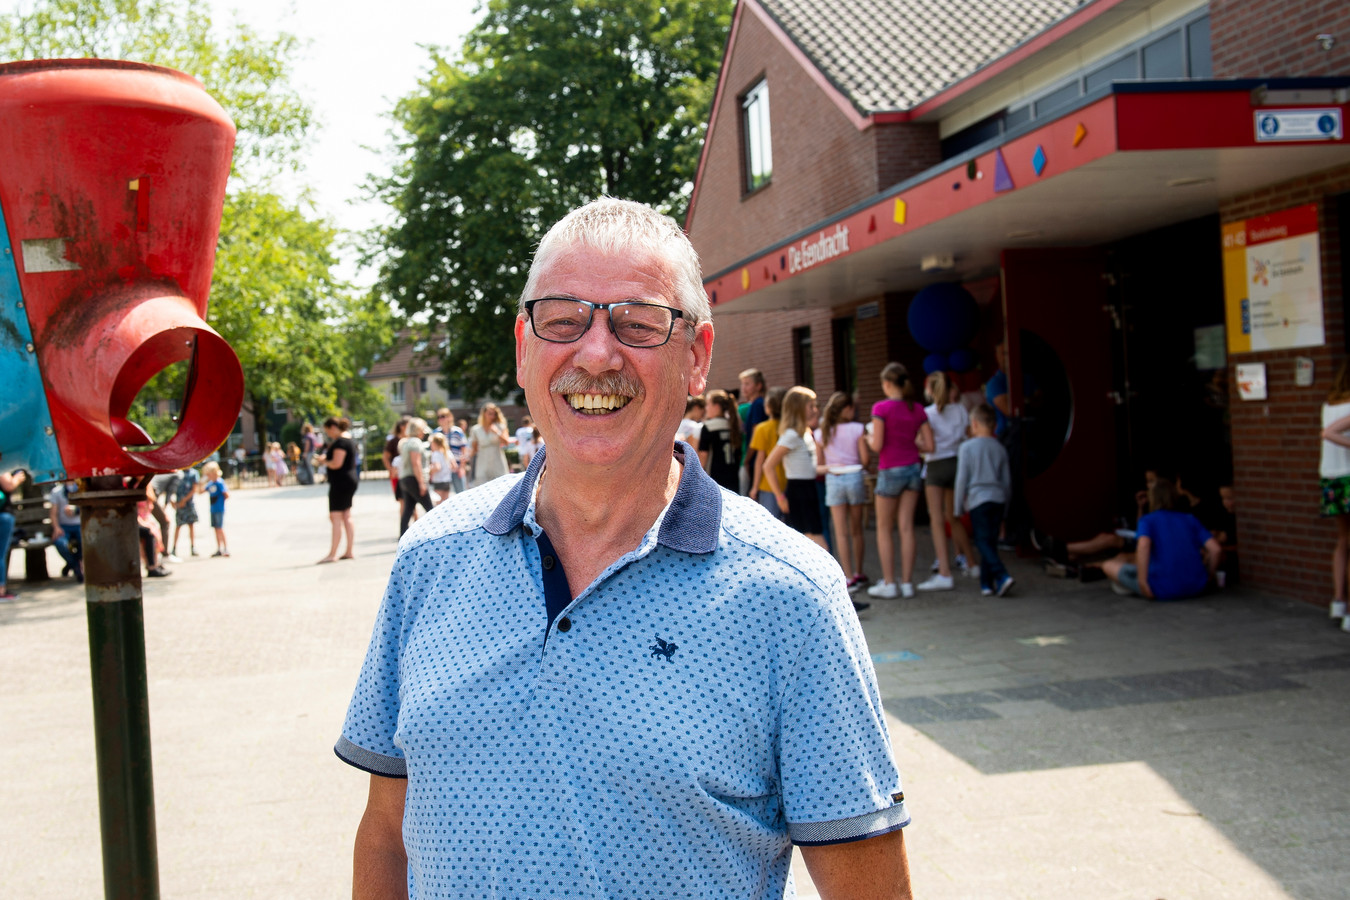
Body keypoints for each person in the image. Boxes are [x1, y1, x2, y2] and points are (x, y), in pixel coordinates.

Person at [337, 198, 911, 899]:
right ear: (523, 348)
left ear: (697, 357)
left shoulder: (791, 597)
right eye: (562, 320)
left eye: (638, 323)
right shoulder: (430, 560)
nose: (597, 353)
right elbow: (386, 834)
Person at [867, 363, 934, 600]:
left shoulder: (881, 408)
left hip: (890, 470)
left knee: (884, 528)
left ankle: (889, 583)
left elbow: (877, 445)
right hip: (913, 468)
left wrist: (868, 438)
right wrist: (912, 443)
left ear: (886, 384)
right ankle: (907, 583)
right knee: (907, 527)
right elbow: (930, 445)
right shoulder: (917, 408)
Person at [1099, 478, 1221, 600]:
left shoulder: (1147, 520)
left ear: (1152, 498)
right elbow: (1216, 549)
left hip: (1162, 588)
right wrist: (1209, 575)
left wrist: (1142, 581)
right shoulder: (1190, 519)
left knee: (1108, 565)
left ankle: (1131, 585)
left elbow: (1143, 546)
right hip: (1197, 586)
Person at [918, 371, 976, 591]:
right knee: (954, 516)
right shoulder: (960, 409)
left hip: (935, 466)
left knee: (936, 520)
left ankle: (944, 572)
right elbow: (968, 434)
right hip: (956, 463)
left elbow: (925, 443)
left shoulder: (927, 413)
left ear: (930, 390)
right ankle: (972, 563)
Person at [954, 404, 1014, 597]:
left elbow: (962, 479)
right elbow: (1007, 482)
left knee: (981, 541)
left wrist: (957, 506)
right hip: (998, 499)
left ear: (974, 424)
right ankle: (987, 584)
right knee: (991, 542)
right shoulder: (1000, 448)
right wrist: (1006, 509)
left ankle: (1002, 575)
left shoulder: (966, 448)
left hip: (978, 500)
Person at [763, 386, 827, 550]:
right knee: (816, 541)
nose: (815, 410)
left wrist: (829, 469)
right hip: (799, 492)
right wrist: (780, 497)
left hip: (809, 488)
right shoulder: (791, 435)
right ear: (798, 408)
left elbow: (807, 468)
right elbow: (768, 466)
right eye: (810, 406)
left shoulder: (805, 433)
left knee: (811, 541)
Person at [817, 391, 869, 592]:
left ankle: (847, 576)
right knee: (856, 529)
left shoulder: (821, 432)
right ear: (847, 409)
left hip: (834, 479)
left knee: (841, 532)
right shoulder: (857, 429)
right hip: (854, 477)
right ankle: (859, 571)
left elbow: (819, 464)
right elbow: (865, 460)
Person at [1321, 363, 1350, 630]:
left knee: (1343, 541)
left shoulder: (1329, 406)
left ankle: (1338, 601)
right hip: (1349, 476)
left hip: (1330, 478)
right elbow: (1329, 433)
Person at [317, 416, 359, 563]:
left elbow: (336, 463)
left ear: (333, 427)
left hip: (340, 482)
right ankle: (348, 551)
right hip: (348, 480)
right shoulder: (349, 440)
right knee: (346, 516)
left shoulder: (340, 442)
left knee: (336, 517)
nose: (328, 434)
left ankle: (332, 553)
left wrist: (324, 461)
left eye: (328, 431)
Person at [747, 386, 787, 519]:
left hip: (768, 484)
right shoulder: (790, 428)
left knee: (771, 521)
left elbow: (760, 461)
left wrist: (754, 487)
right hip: (788, 482)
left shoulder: (762, 429)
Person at [696, 388, 741, 491]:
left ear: (716, 406)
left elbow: (703, 455)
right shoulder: (733, 425)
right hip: (733, 477)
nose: (706, 408)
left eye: (708, 404)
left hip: (715, 479)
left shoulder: (709, 426)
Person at [398, 418, 435, 537]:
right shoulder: (415, 442)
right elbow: (416, 463)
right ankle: (436, 534)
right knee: (431, 509)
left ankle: (402, 535)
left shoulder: (406, 442)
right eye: (423, 429)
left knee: (408, 510)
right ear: (418, 430)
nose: (424, 432)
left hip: (405, 479)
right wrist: (421, 483)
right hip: (414, 479)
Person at [468, 403, 511, 487]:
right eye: (490, 414)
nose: (492, 416)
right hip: (482, 462)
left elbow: (506, 442)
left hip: (497, 461)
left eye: (494, 414)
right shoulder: (476, 429)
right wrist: (467, 459)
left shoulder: (500, 426)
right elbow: (474, 449)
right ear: (484, 414)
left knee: (501, 486)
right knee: (482, 487)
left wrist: (497, 432)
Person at [739, 368, 767, 494]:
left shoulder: (758, 404)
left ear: (758, 386)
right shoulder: (753, 404)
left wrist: (747, 458)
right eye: (742, 384)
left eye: (747, 384)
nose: (743, 388)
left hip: (755, 458)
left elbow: (756, 435)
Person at [49, 481, 83, 583]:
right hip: (64, 527)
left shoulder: (81, 488)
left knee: (86, 541)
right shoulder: (57, 491)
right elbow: (53, 513)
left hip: (80, 525)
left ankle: (71, 565)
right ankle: (76, 566)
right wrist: (56, 528)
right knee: (60, 543)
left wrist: (76, 510)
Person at [0, 469, 25, 601]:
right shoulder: (3, 466)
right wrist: (17, 478)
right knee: (0, 554)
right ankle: (1, 590)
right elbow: (8, 485)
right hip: (3, 515)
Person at [171, 465, 201, 558]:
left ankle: (193, 547)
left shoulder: (193, 473)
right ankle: (174, 548)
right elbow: (171, 488)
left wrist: (184, 500)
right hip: (179, 504)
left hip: (189, 504)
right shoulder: (177, 473)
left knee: (191, 525)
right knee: (178, 526)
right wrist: (173, 501)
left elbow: (194, 489)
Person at [203, 461, 230, 558]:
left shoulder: (219, 482)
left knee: (220, 528)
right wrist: (202, 481)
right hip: (213, 509)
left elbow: (226, 494)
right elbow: (200, 491)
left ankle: (225, 548)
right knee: (216, 529)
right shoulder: (210, 483)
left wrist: (220, 501)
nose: (207, 476)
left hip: (219, 508)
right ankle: (219, 548)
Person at [427, 432, 454, 505]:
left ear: (435, 444)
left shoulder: (435, 454)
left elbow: (437, 467)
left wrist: (429, 471)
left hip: (439, 481)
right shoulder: (448, 452)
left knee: (438, 503)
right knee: (446, 502)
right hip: (447, 480)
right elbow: (454, 466)